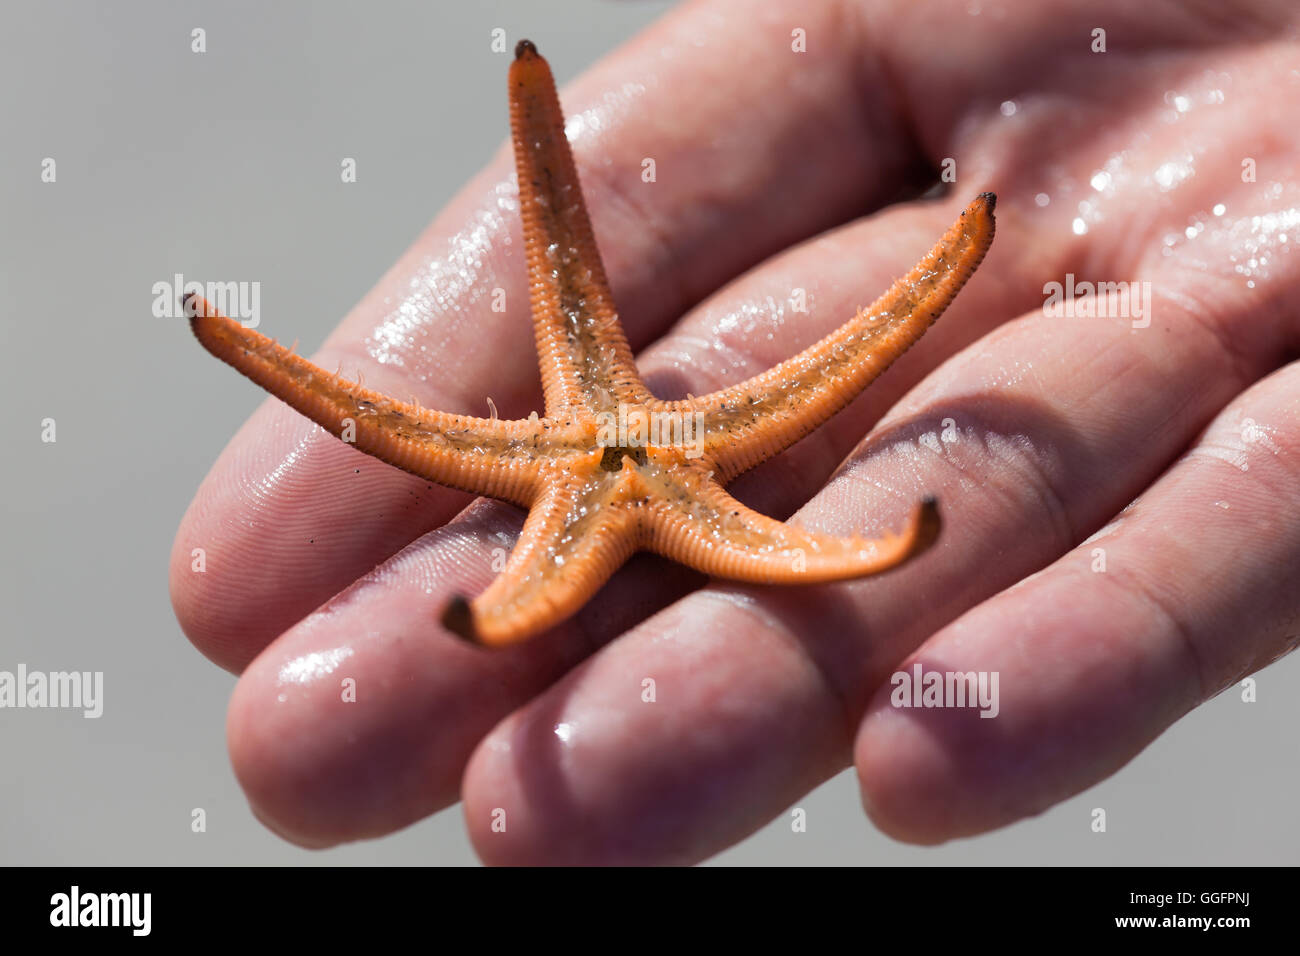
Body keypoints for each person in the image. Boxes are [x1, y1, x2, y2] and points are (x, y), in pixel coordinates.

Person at [171, 0, 1300, 864]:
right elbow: (399, 444)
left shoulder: (643, 452)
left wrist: (863, 541)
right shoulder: (589, 456)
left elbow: (865, 347)